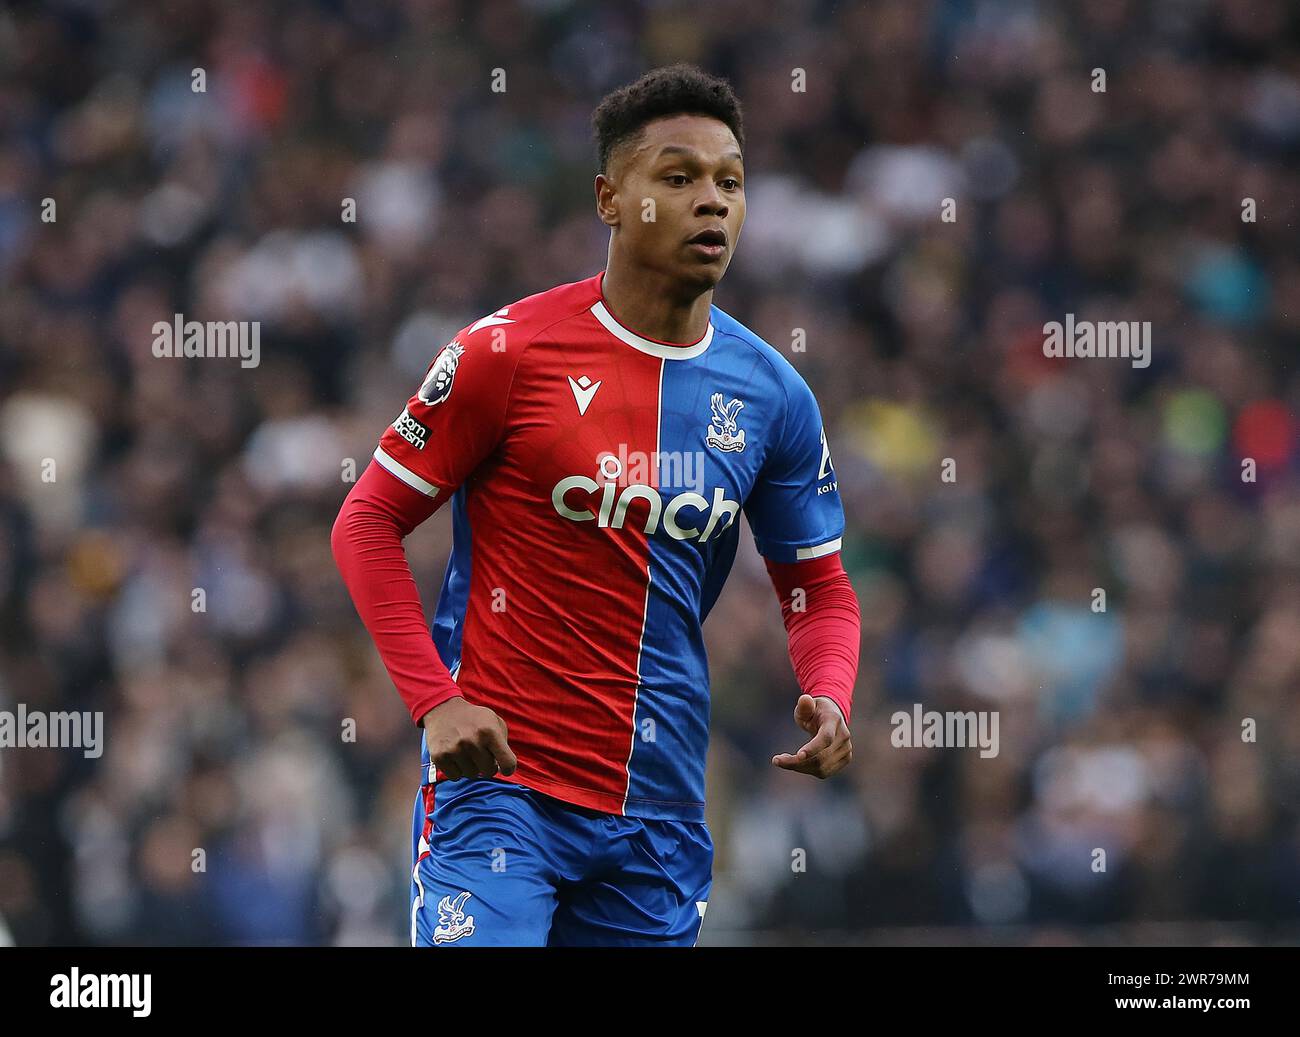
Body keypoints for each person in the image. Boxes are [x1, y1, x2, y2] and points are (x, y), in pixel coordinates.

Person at [332, 63, 861, 946]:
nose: (712, 203)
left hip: (658, 815)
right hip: (503, 793)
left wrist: (830, 688)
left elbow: (818, 587)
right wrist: (435, 702)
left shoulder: (775, 397)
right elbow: (366, 522)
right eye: (679, 177)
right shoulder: (506, 352)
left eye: (730, 182)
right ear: (611, 199)